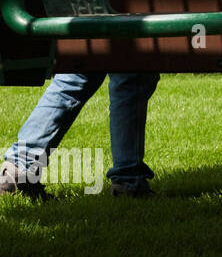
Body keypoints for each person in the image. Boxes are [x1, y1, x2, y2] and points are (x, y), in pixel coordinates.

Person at [0, 73, 159, 199]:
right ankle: (129, 180)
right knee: (131, 77)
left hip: (82, 38)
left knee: (75, 76)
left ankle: (17, 167)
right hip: (127, 39)